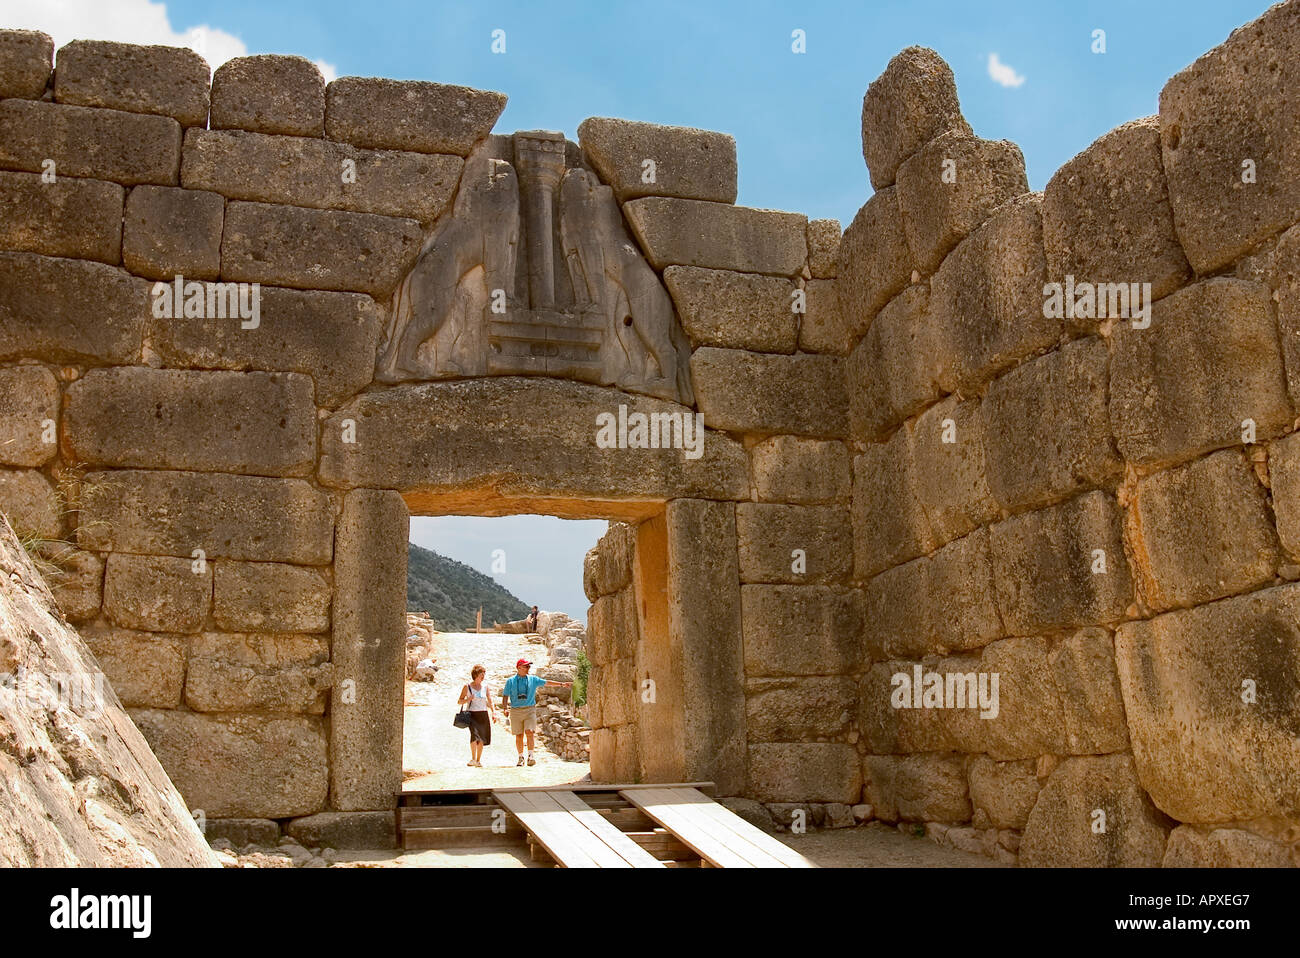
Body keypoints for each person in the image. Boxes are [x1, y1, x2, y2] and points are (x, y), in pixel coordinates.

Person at [500, 658, 570, 766]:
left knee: (530, 732)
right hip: (515, 710)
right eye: (526, 666)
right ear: (519, 668)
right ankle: (520, 757)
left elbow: (546, 682)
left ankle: (531, 756)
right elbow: (505, 695)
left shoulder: (533, 679)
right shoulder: (510, 681)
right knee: (519, 735)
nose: (528, 668)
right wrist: (505, 708)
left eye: (529, 666)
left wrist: (561, 684)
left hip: (529, 709)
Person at [457, 665, 496, 767]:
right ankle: (473, 758)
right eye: (481, 674)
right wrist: (468, 700)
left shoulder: (485, 687)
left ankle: (478, 760)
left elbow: (490, 701)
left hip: (483, 713)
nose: (483, 676)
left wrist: (494, 712)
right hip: (472, 714)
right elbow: (459, 701)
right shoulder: (467, 687)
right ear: (475, 675)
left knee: (482, 738)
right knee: (474, 735)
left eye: (484, 674)